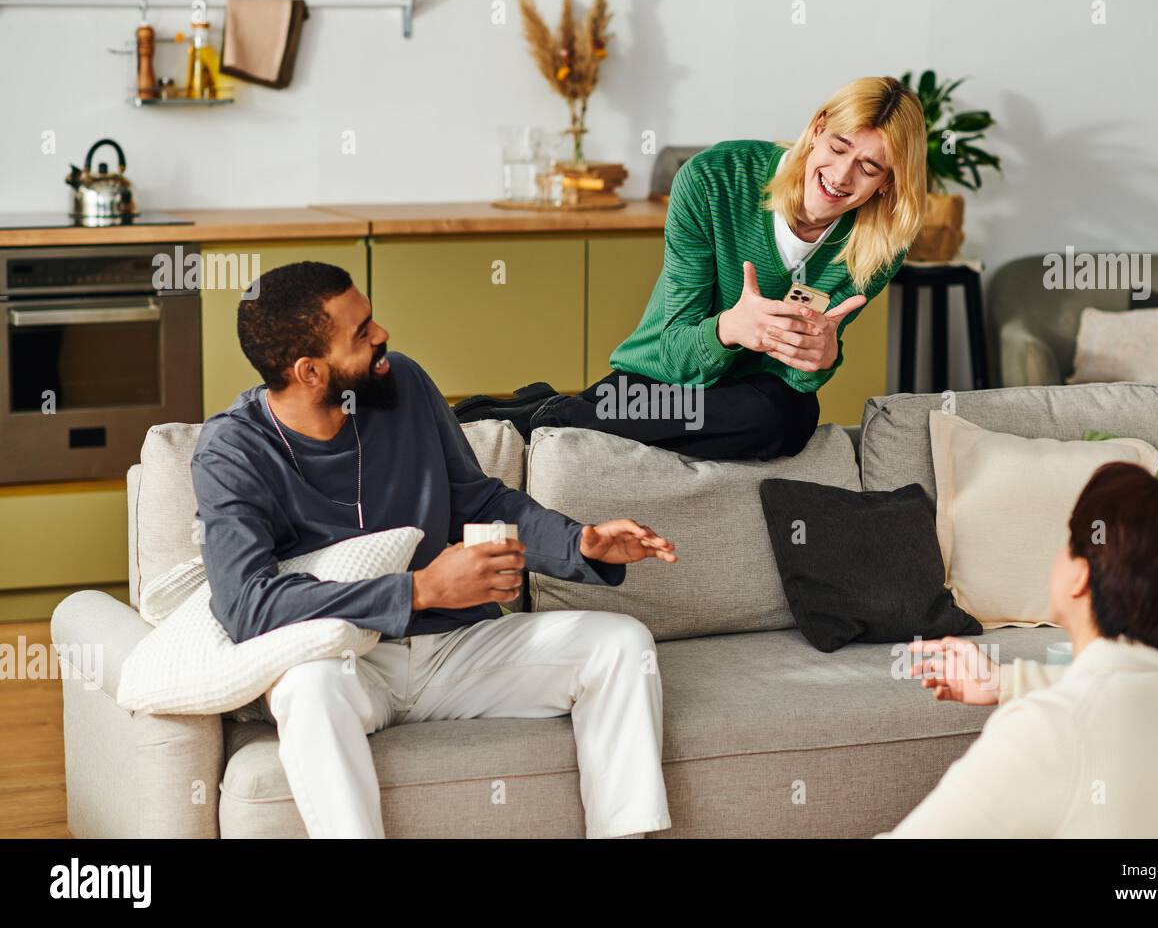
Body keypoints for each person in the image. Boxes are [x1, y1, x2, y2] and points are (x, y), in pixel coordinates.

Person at [191, 261, 678, 839]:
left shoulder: (404, 384)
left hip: (456, 648)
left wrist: (582, 542)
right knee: (307, 689)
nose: (383, 335)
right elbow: (248, 604)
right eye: (362, 331)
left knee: (621, 644)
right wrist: (420, 589)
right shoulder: (231, 451)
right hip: (348, 663)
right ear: (310, 371)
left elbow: (478, 502)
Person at [455, 76, 927, 460]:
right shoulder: (714, 179)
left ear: (887, 183)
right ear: (818, 128)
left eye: (868, 168)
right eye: (839, 147)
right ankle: (551, 413)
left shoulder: (880, 242)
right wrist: (729, 328)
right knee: (745, 415)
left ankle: (583, 414)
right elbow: (678, 353)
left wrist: (820, 359)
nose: (841, 177)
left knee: (789, 418)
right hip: (663, 374)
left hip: (750, 395)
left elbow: (794, 378)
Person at [881, 462, 1158, 838]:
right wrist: (1002, 680)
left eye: (1068, 543)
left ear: (1080, 577)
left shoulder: (1044, 730)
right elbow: (1119, 694)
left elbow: (1081, 716)